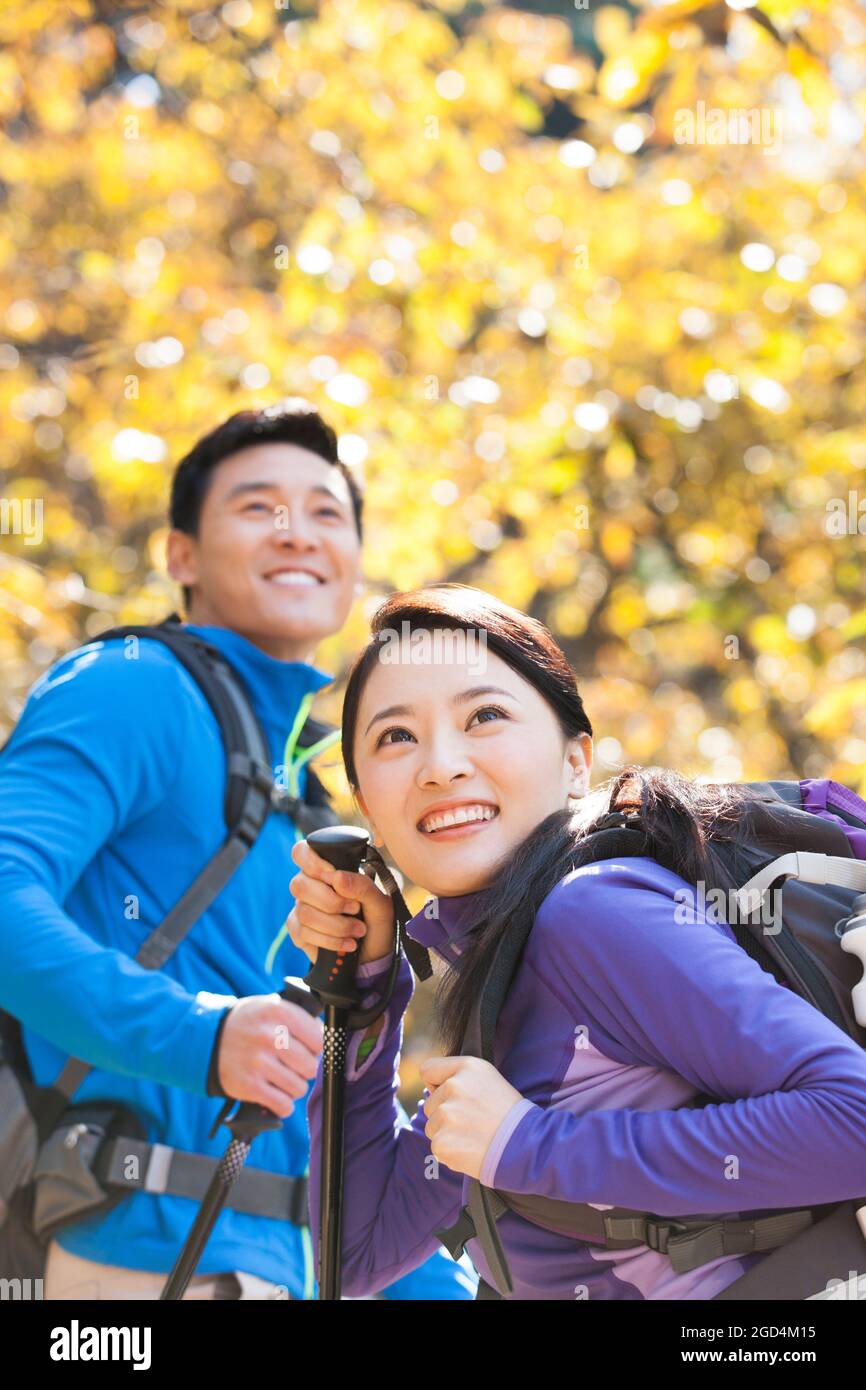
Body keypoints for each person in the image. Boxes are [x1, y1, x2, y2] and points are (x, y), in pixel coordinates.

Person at [0, 404, 473, 1301]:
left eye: (328, 514)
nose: (299, 533)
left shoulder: (306, 784)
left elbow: (321, 1127)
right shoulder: (130, 686)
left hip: (294, 1262)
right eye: (259, 507)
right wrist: (200, 1037)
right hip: (150, 1258)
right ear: (181, 556)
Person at [288, 583, 866, 1300]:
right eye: (395, 737)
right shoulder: (499, 976)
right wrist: (369, 987)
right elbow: (355, 1254)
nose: (439, 765)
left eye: (486, 716)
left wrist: (531, 1147)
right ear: (367, 804)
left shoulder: (592, 916)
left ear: (575, 762)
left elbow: (856, 1119)